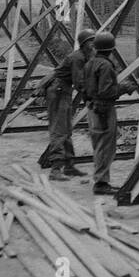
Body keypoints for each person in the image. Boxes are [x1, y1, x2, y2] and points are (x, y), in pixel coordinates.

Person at [84, 31, 139, 195]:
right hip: (103, 110)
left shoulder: (90, 63)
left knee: (99, 145)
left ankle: (101, 179)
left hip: (93, 108)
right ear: (111, 49)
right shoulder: (106, 66)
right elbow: (107, 91)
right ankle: (101, 183)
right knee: (105, 147)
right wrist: (124, 88)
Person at [39, 28, 96, 179]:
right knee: (59, 129)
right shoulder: (77, 58)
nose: (93, 45)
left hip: (63, 90)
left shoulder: (84, 56)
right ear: (83, 44)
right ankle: (55, 169)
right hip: (58, 90)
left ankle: (69, 165)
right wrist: (90, 97)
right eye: (91, 42)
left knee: (67, 129)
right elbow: (79, 83)